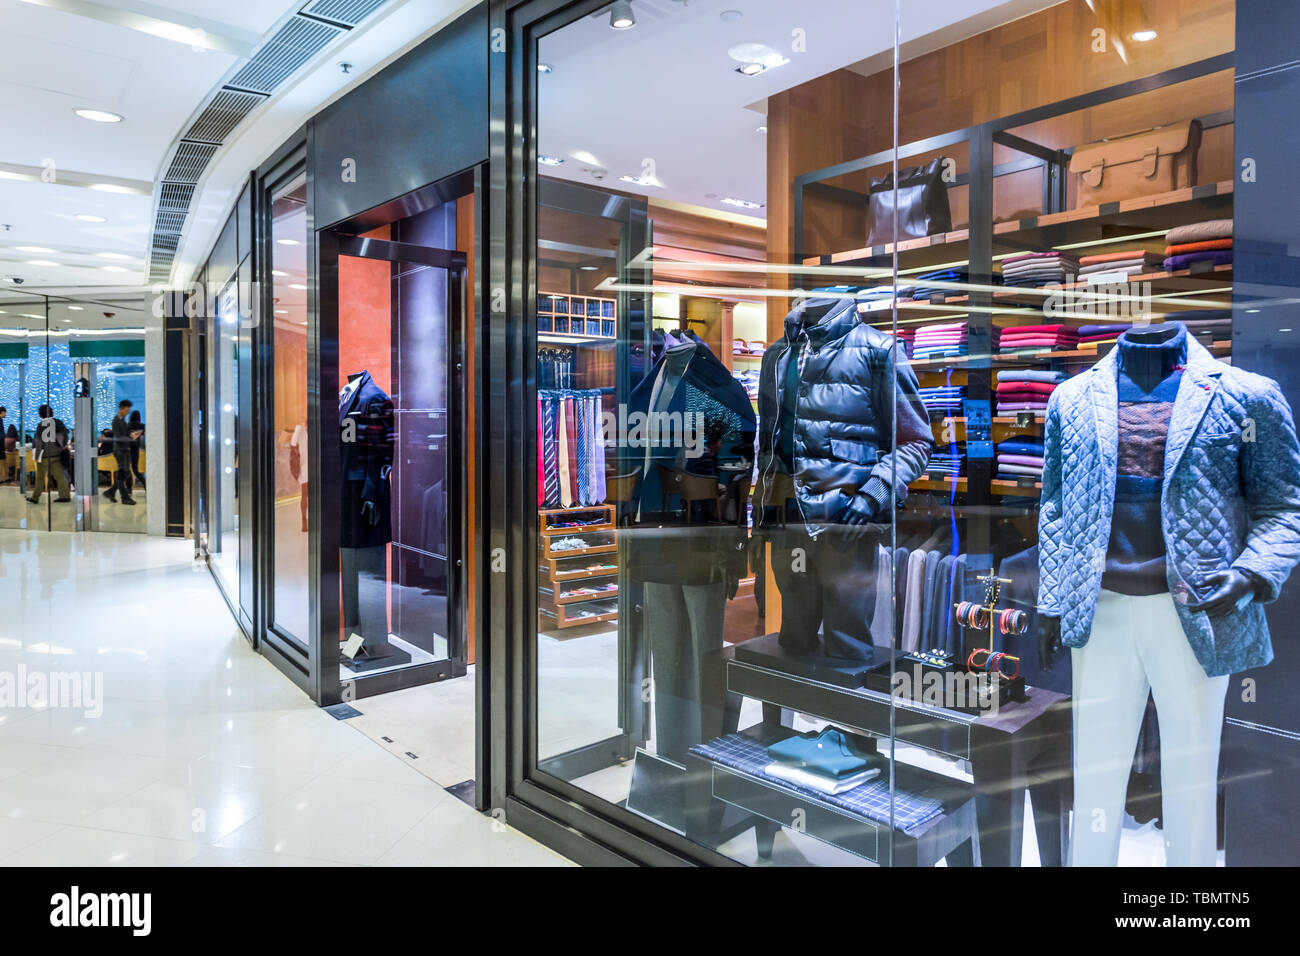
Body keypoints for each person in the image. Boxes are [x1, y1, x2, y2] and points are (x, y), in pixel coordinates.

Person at [27, 404, 71, 504]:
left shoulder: (41, 426)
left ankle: (35, 498)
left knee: (40, 477)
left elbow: (38, 442)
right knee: (60, 477)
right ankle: (65, 496)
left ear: (40, 415)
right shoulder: (59, 423)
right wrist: (62, 447)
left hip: (44, 456)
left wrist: (37, 457)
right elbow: (65, 437)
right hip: (57, 455)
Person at [104, 399, 137, 505]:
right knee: (124, 472)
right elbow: (118, 437)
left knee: (124, 473)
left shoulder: (122, 420)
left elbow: (124, 433)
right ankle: (124, 497)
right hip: (120, 450)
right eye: (127, 410)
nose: (128, 412)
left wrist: (131, 435)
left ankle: (111, 491)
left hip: (125, 449)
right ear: (121, 409)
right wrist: (130, 438)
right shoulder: (116, 421)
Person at [128, 409, 145, 488]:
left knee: (127, 470)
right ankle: (146, 485)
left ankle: (129, 489)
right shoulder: (142, 426)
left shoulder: (128, 425)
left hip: (127, 450)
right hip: (135, 450)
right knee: (135, 470)